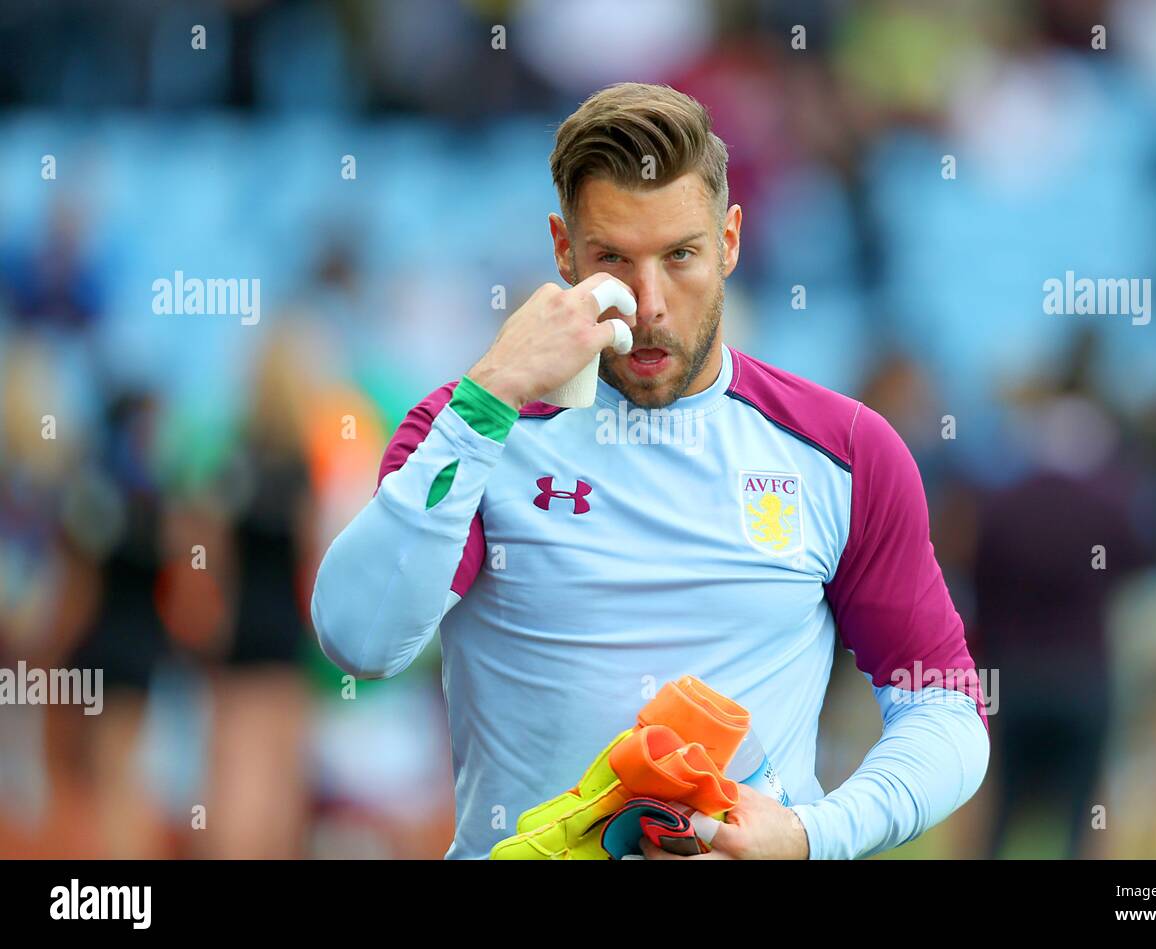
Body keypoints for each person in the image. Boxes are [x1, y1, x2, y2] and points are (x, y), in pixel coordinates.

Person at [311, 82, 988, 860]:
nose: (651, 302)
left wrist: (811, 833)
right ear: (564, 251)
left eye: (682, 256)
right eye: (613, 260)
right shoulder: (468, 429)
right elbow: (360, 639)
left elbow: (945, 709)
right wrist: (491, 391)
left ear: (730, 240)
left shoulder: (845, 451)